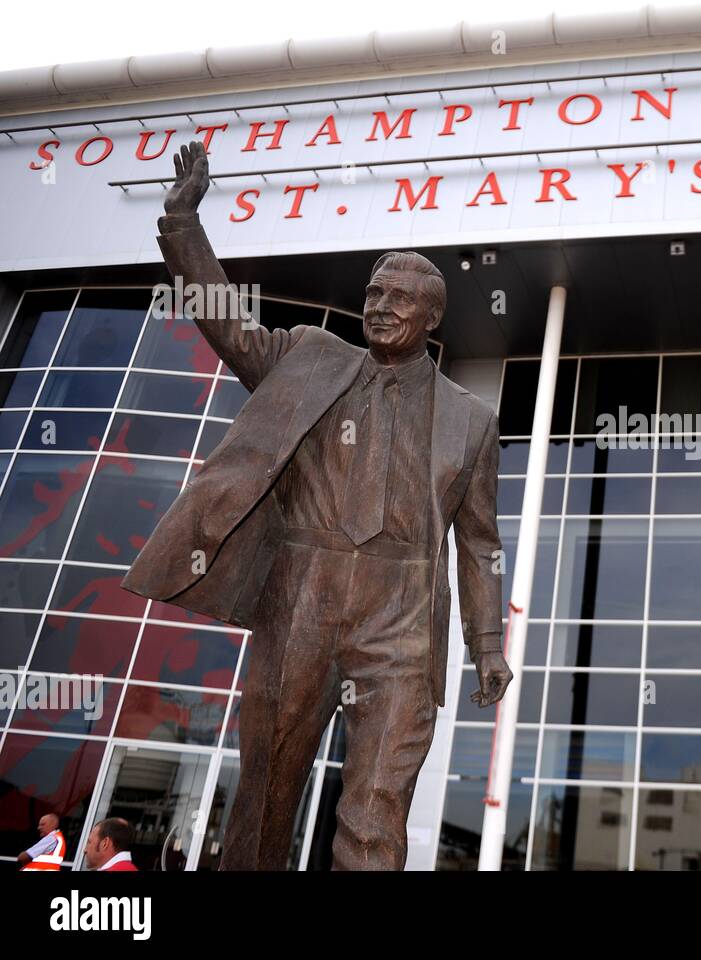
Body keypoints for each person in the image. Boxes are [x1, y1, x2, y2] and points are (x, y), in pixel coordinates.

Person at [120, 142, 512, 870]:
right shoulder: (308, 355)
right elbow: (228, 325)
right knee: (266, 800)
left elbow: (479, 542)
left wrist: (486, 643)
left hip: (400, 624)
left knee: (375, 816)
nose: (378, 304)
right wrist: (182, 227)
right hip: (299, 599)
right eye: (372, 291)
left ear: (432, 316)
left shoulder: (470, 420)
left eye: (398, 297)